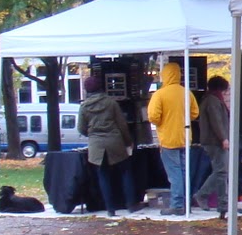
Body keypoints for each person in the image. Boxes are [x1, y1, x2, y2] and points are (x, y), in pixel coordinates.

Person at [146, 61, 199, 215]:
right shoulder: (186, 92)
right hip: (184, 137)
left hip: (168, 139)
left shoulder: (160, 94)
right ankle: (185, 202)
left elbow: (153, 116)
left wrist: (164, 121)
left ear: (164, 75)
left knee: (174, 173)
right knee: (184, 172)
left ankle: (176, 204)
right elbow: (195, 113)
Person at [80, 72, 136, 216]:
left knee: (103, 175)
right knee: (125, 172)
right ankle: (130, 204)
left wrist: (92, 135)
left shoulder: (84, 106)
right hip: (115, 141)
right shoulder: (111, 102)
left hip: (96, 144)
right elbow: (122, 124)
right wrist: (128, 141)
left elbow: (81, 128)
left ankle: (110, 209)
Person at [193, 76, 232, 211]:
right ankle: (202, 195)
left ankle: (223, 203)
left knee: (221, 172)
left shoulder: (211, 99)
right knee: (221, 171)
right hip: (214, 141)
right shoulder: (212, 101)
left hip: (214, 141)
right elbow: (216, 121)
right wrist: (223, 138)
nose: (226, 93)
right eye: (225, 90)